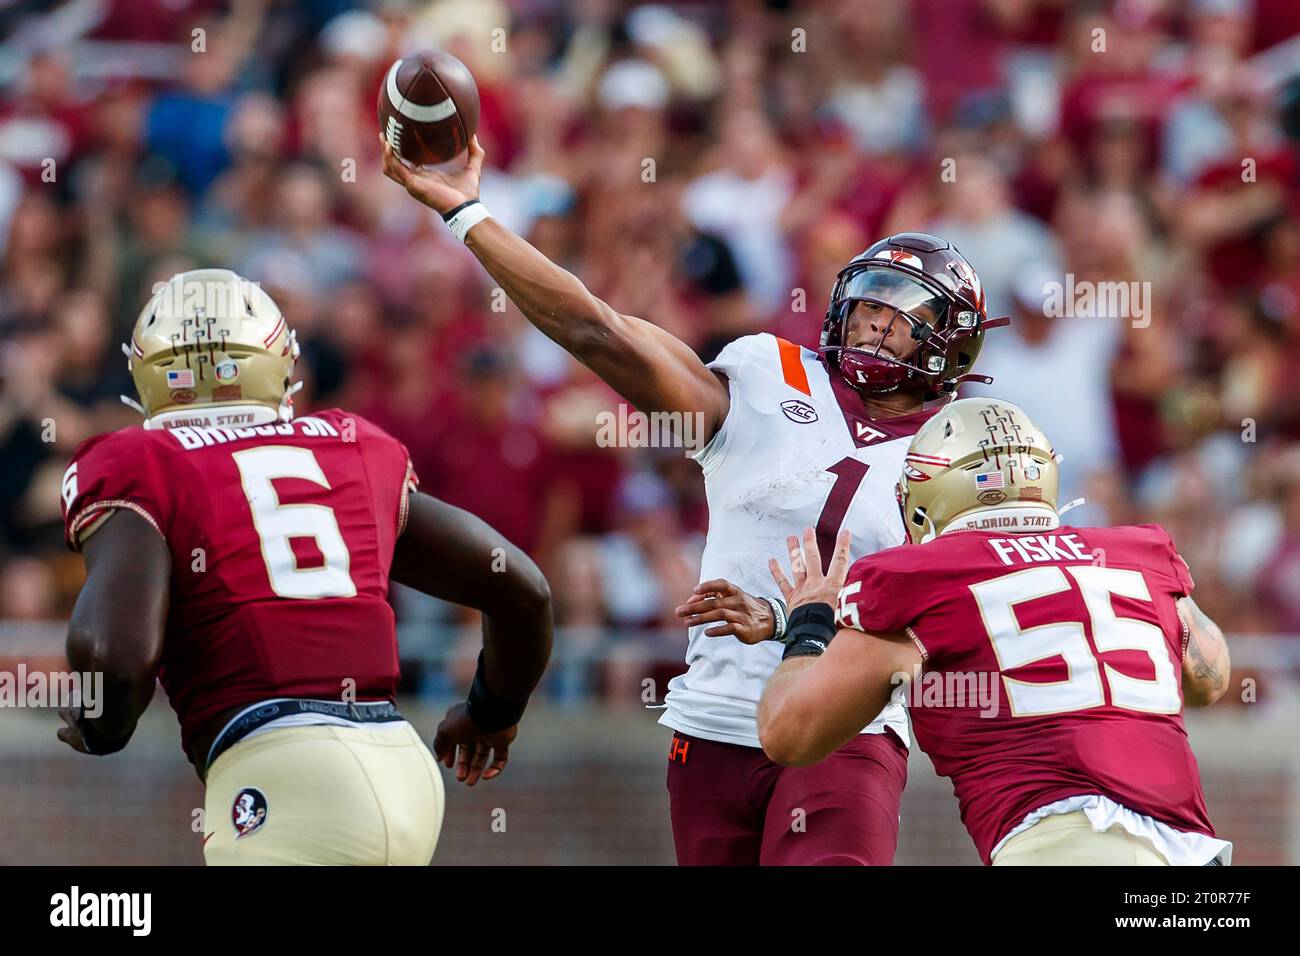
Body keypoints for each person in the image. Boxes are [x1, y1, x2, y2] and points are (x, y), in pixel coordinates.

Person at [381, 136, 1006, 865]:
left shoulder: (966, 447)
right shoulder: (771, 374)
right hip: (711, 726)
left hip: (845, 732)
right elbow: (598, 329)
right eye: (866, 306)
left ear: (948, 343)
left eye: (897, 316)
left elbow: (963, 628)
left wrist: (787, 619)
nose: (873, 325)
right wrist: (467, 212)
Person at [56, 269, 553, 865]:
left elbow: (115, 655)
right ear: (280, 360)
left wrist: (100, 725)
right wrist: (491, 712)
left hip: (280, 779)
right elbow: (523, 591)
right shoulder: (351, 443)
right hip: (403, 770)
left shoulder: (138, 460)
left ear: (147, 372)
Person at [757, 398, 1233, 866]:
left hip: (1064, 843)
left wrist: (809, 623)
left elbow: (789, 734)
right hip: (1192, 850)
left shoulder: (919, 577)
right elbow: (1210, 680)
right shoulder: (1135, 554)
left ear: (926, 495)